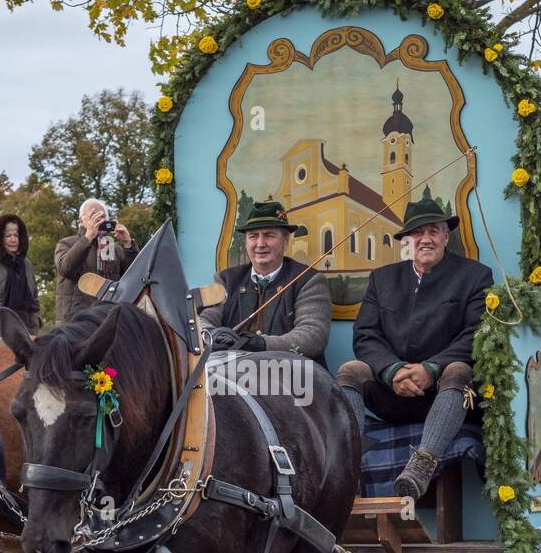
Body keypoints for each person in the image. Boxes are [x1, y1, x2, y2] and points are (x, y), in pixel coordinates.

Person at [336, 197, 493, 498]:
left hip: (442, 391)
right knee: (350, 371)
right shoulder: (382, 278)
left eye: (433, 230)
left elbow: (476, 333)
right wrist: (393, 370)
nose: (425, 239)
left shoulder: (475, 276)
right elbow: (365, 334)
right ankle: (349, 467)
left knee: (460, 369)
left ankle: (423, 463)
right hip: (391, 390)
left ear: (446, 236)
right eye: (418, 232)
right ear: (408, 239)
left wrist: (431, 369)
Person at [199, 200, 330, 366]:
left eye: (269, 235)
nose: (260, 244)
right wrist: (214, 336)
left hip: (292, 379)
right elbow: (205, 320)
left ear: (285, 242)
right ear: (246, 243)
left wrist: (259, 344)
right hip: (233, 377)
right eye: (253, 236)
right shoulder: (226, 280)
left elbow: (312, 337)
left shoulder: (309, 281)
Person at [54, 198, 137, 324]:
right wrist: (87, 238)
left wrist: (128, 245)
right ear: (81, 221)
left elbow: (133, 278)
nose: (99, 219)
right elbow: (66, 269)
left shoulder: (112, 247)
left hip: (108, 320)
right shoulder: (66, 244)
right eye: (93, 215)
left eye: (102, 216)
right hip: (75, 323)